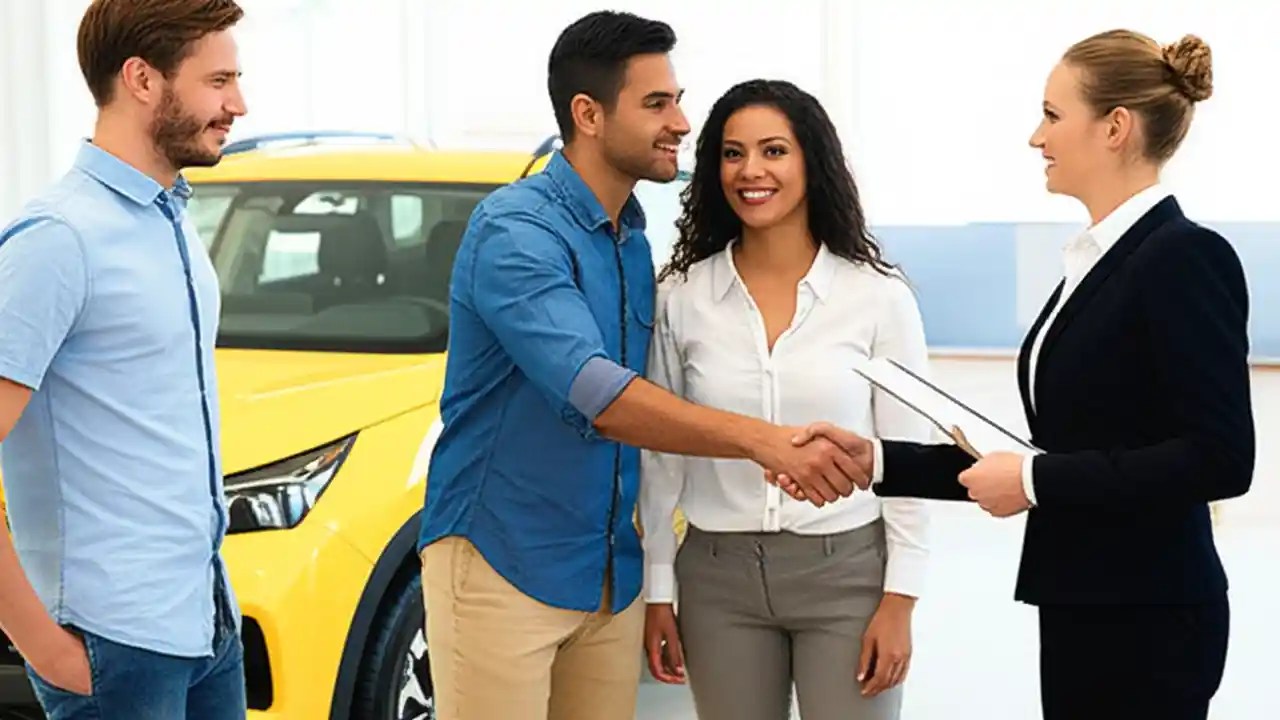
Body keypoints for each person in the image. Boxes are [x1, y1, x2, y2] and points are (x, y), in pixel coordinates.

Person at [782, 30, 1253, 720]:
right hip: (1087, 601)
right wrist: (877, 460)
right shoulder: (1099, 259)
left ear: (1115, 127)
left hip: (1147, 617)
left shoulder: (1183, 257)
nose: (1037, 137)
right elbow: (1055, 452)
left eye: (1054, 115)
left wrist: (1035, 481)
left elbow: (1220, 460)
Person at [416, 12, 867, 720]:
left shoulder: (629, 238)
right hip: (504, 565)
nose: (683, 123)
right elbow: (600, 394)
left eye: (678, 100)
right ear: (588, 115)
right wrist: (763, 440)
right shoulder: (517, 231)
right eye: (657, 103)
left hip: (606, 574)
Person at [638, 79, 933, 720]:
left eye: (774, 151)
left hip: (848, 574)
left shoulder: (878, 296)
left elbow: (911, 455)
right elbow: (661, 455)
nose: (751, 171)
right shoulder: (682, 296)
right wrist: (659, 587)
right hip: (717, 578)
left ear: (812, 162)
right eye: (732, 153)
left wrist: (900, 598)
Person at [0, 1, 248, 717]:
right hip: (113, 646)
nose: (238, 103)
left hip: (205, 621)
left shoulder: (169, 220)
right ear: (142, 79)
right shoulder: (58, 240)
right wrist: (44, 648)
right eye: (218, 80)